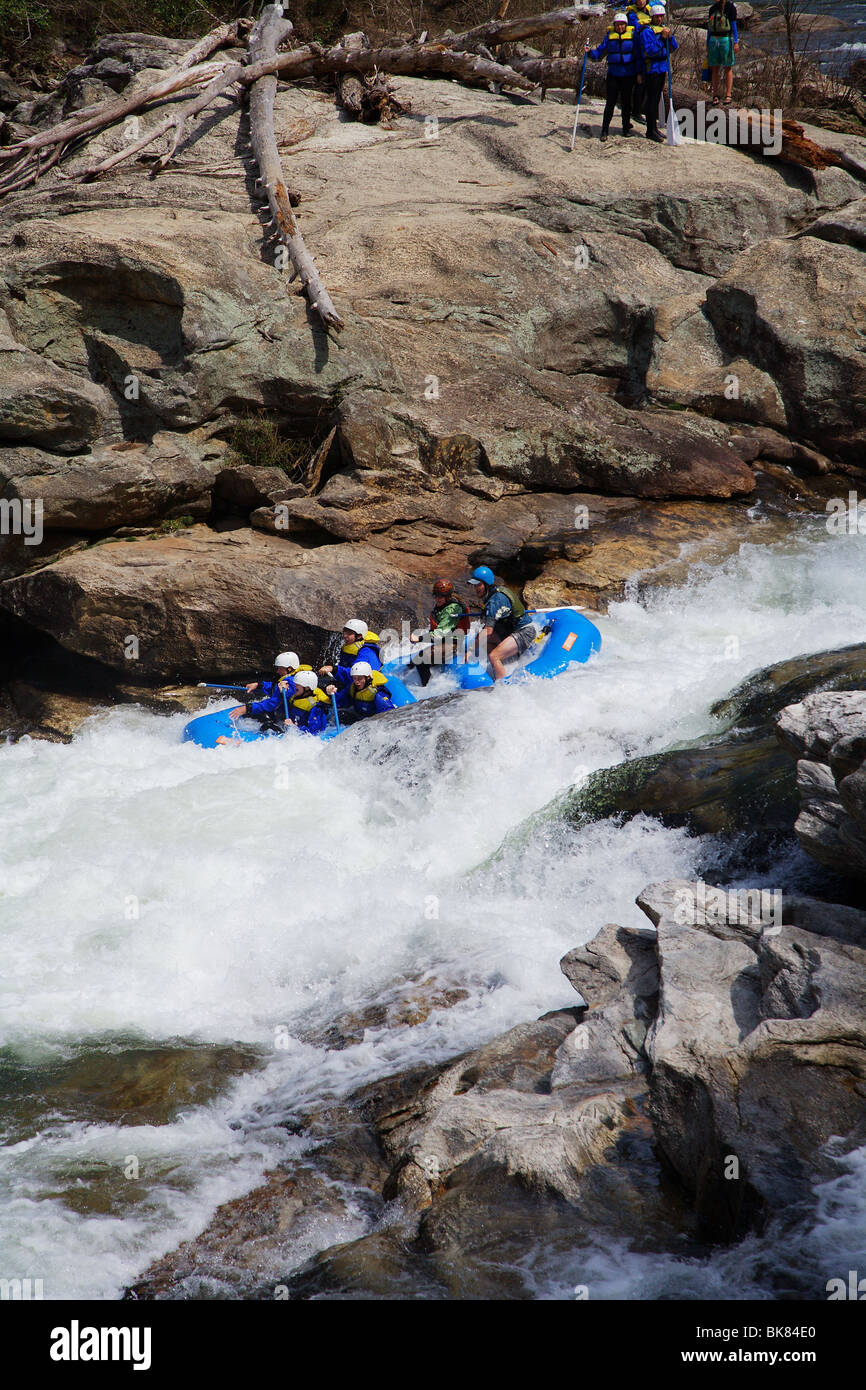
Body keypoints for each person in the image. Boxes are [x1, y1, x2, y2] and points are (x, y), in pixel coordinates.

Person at [466, 565, 537, 682]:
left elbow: (488, 631)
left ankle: (502, 686)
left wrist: (470, 651)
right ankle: (507, 662)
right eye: (474, 585)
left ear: (487, 584)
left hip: (524, 632)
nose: (476, 588)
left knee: (494, 656)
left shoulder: (495, 600)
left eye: (478, 585)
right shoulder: (495, 594)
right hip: (510, 631)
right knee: (483, 641)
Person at [585, 12, 639, 141]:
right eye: (618, 25)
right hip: (613, 75)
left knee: (626, 103)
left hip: (628, 75)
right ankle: (604, 130)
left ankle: (626, 128)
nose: (620, 27)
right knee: (610, 103)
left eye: (622, 25)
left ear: (626, 25)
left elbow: (638, 57)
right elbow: (600, 52)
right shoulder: (609, 37)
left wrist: (639, 73)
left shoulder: (632, 37)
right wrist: (590, 53)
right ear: (614, 25)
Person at [410, 578, 471, 687]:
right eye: (436, 595)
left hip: (453, 645)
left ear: (447, 596)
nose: (437, 599)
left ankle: (425, 688)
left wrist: (418, 639)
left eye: (440, 596)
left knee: (421, 660)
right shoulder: (442, 605)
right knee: (413, 662)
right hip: (444, 642)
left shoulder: (452, 610)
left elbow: (438, 635)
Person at [638, 3, 679, 144]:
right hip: (652, 68)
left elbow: (674, 47)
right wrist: (662, 38)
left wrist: (669, 37)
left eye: (661, 16)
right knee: (651, 99)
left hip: (662, 68)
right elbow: (650, 50)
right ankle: (650, 130)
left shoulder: (662, 29)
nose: (660, 19)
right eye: (657, 17)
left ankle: (654, 128)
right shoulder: (647, 31)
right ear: (652, 17)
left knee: (656, 99)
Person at [230, 651, 299, 730]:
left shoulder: (290, 683)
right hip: (279, 716)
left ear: (289, 668)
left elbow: (272, 704)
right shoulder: (289, 679)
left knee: (263, 722)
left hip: (284, 721)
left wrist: (247, 708)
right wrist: (258, 685)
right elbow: (273, 687)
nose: (277, 671)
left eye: (280, 668)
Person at [319, 618, 382, 690]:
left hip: (362, 685)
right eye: (344, 632)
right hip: (350, 681)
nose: (345, 636)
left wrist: (334, 669)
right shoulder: (349, 647)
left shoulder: (366, 652)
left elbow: (357, 673)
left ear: (359, 636)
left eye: (349, 634)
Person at [325, 661, 395, 725]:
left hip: (372, 722)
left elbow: (388, 715)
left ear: (367, 678)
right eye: (354, 678)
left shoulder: (378, 694)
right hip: (359, 717)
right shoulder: (353, 688)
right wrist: (332, 693)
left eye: (360, 678)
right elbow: (340, 702)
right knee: (340, 716)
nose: (356, 681)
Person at [706, 0, 738, 108]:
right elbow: (709, 29)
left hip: (725, 40)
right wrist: (707, 43)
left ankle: (728, 94)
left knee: (727, 68)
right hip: (714, 40)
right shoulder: (712, 9)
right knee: (715, 68)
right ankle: (715, 94)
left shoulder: (730, 7)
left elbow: (733, 26)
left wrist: (736, 42)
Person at [626, 0, 654, 122]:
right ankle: (635, 111)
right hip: (635, 49)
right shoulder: (631, 14)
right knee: (638, 81)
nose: (640, 1)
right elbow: (636, 28)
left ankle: (639, 110)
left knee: (643, 82)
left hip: (645, 49)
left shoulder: (649, 10)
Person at [285, 671, 329, 735]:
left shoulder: (315, 707)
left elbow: (314, 732)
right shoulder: (296, 696)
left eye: (297, 684)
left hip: (308, 738)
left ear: (307, 688)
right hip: (296, 731)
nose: (294, 686)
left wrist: (293, 727)